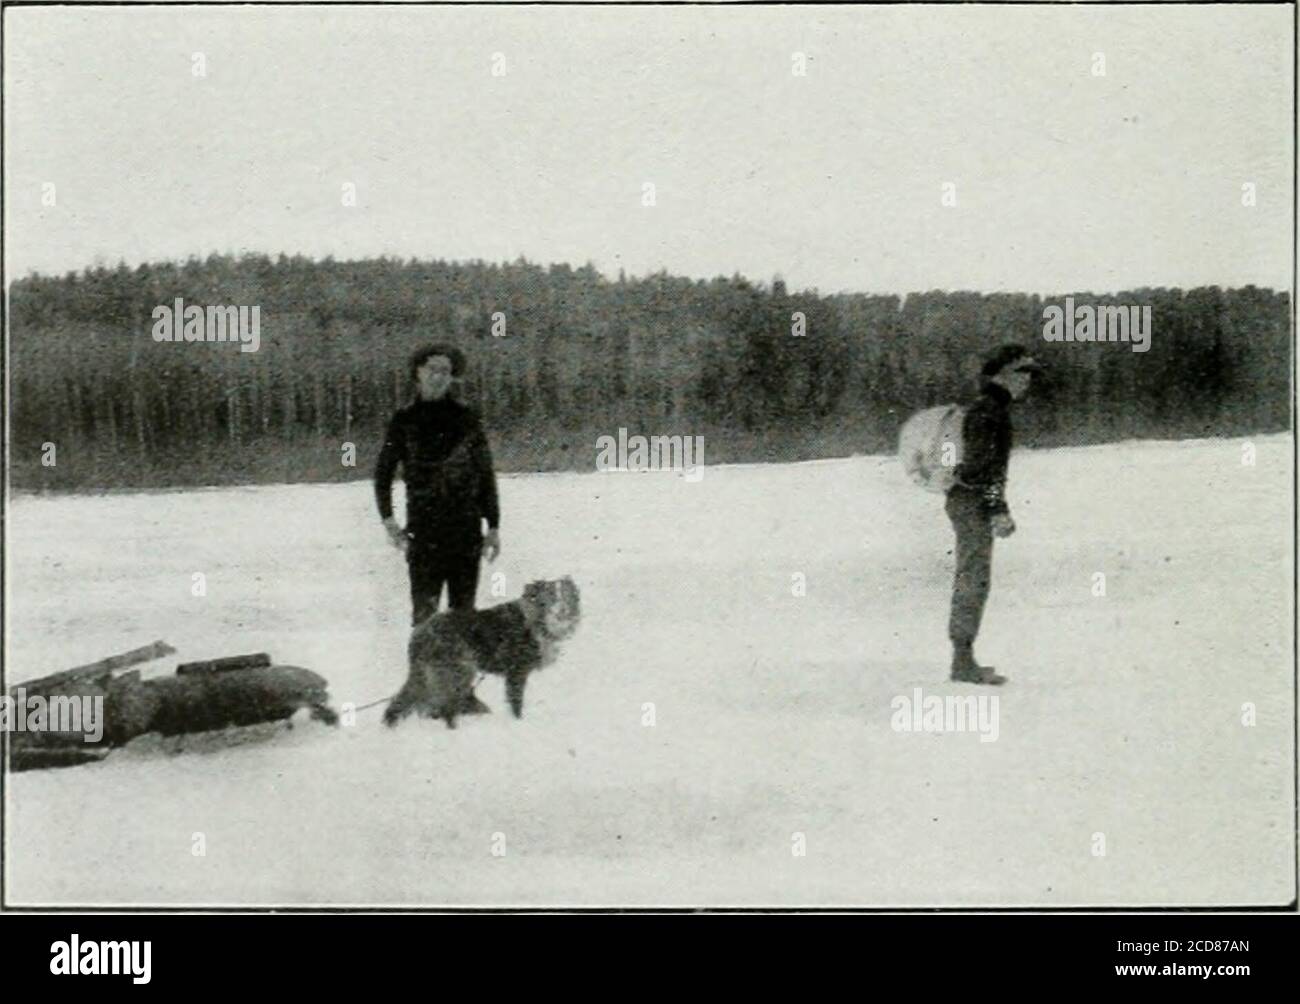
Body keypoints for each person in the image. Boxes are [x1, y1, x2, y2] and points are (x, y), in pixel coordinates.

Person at [375, 343, 501, 627]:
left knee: (464, 620)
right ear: (417, 373)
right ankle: (421, 674)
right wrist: (388, 521)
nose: (439, 376)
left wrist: (493, 526)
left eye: (446, 371)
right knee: (424, 620)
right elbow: (383, 473)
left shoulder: (467, 418)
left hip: (466, 533)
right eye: (432, 369)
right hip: (424, 533)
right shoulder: (404, 420)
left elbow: (485, 474)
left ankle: (462, 673)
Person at [946, 344, 1041, 685]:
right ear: (1000, 374)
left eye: (1031, 374)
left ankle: (963, 658)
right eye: (1021, 373)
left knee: (974, 576)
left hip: (969, 500)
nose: (1027, 381)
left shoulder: (992, 408)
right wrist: (997, 509)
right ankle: (962, 662)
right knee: (973, 577)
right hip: (972, 502)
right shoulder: (990, 411)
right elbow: (982, 470)